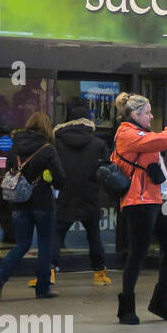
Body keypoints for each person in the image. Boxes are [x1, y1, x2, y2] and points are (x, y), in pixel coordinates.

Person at [111, 92, 167, 325]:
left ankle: (160, 302)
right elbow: (163, 141)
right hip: (138, 201)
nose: (151, 116)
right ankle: (127, 307)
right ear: (135, 114)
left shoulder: (141, 133)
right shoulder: (126, 134)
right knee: (137, 253)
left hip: (155, 198)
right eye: (147, 113)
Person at [0, 112, 65, 300]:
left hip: (18, 202)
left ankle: (1, 274)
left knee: (22, 243)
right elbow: (60, 178)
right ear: (46, 128)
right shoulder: (48, 149)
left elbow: (7, 171)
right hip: (42, 202)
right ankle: (43, 288)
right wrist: (49, 180)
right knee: (45, 244)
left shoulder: (15, 147)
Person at [51, 101, 111, 286]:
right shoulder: (99, 143)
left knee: (57, 234)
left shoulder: (57, 142)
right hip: (90, 194)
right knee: (93, 234)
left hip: (65, 193)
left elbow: (53, 168)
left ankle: (50, 271)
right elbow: (106, 171)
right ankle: (99, 274)